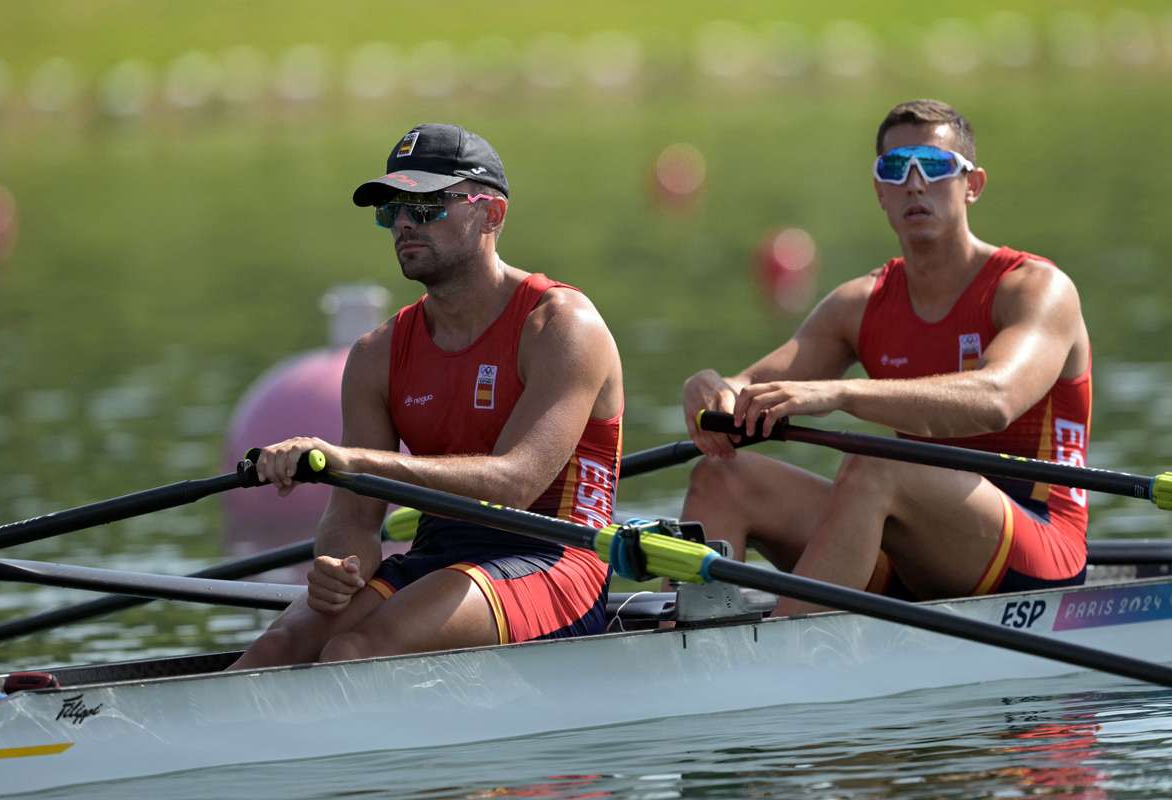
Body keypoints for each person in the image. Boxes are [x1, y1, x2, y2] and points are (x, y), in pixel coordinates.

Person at [230, 123, 624, 668]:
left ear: (492, 214)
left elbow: (513, 483)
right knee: (280, 647)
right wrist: (339, 565)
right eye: (393, 209)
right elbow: (354, 517)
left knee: (355, 649)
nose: (406, 224)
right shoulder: (376, 354)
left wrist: (351, 461)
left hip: (553, 557)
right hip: (439, 555)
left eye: (429, 206)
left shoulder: (560, 326)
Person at [681, 99, 1092, 616]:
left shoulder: (1036, 289)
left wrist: (841, 393)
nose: (915, 184)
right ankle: (699, 640)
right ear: (880, 191)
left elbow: (997, 398)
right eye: (896, 169)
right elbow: (753, 386)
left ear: (973, 184)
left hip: (1037, 542)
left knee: (877, 464)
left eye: (936, 166)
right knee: (723, 477)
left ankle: (773, 657)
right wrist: (712, 386)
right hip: (913, 538)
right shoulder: (861, 304)